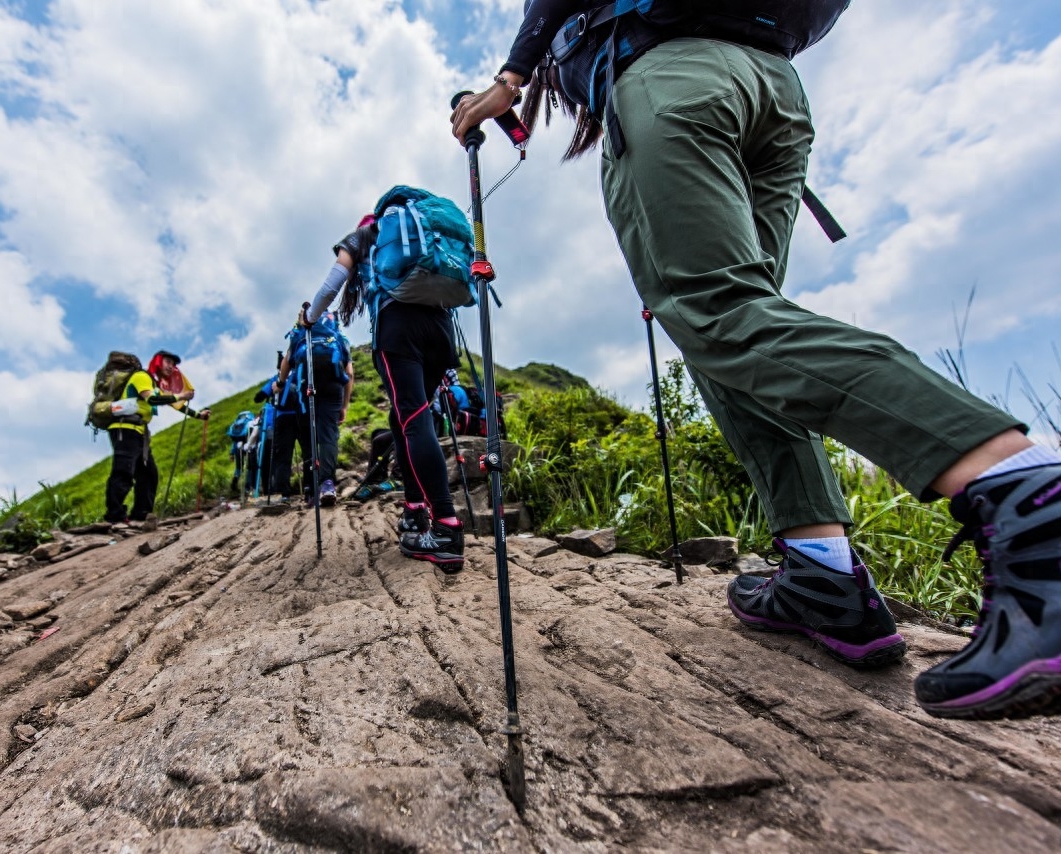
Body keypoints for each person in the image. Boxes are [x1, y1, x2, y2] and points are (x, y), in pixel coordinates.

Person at [451, 2, 1061, 719]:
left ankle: (1022, 493)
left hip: (673, 82)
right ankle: (821, 573)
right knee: (737, 333)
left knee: (717, 313)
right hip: (773, 90)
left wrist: (510, 79)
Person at [293, 213, 467, 571]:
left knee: (413, 418)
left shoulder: (364, 235)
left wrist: (310, 318)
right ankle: (415, 511)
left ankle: (446, 527)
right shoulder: (423, 231)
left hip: (399, 327)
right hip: (440, 328)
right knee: (403, 419)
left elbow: (333, 283)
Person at [103, 351, 200, 526]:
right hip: (125, 428)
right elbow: (153, 400)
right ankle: (114, 516)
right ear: (157, 361)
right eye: (168, 362)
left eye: (174, 364)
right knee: (124, 471)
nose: (172, 367)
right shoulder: (142, 377)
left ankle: (141, 514)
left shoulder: (154, 384)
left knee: (148, 474)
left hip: (139, 431)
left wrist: (199, 415)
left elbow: (175, 404)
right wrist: (181, 395)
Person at [272, 311, 354, 507]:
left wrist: (281, 383)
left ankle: (310, 489)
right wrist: (344, 405)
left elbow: (287, 360)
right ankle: (327, 484)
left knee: (308, 436)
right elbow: (349, 373)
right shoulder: (338, 336)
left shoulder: (300, 332)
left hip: (306, 385)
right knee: (328, 435)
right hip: (333, 386)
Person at [256, 352, 303, 502]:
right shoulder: (298, 375)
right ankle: (310, 489)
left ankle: (284, 493)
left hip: (282, 419)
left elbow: (258, 397)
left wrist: (270, 393)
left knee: (283, 457)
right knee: (308, 451)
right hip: (300, 416)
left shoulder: (275, 380)